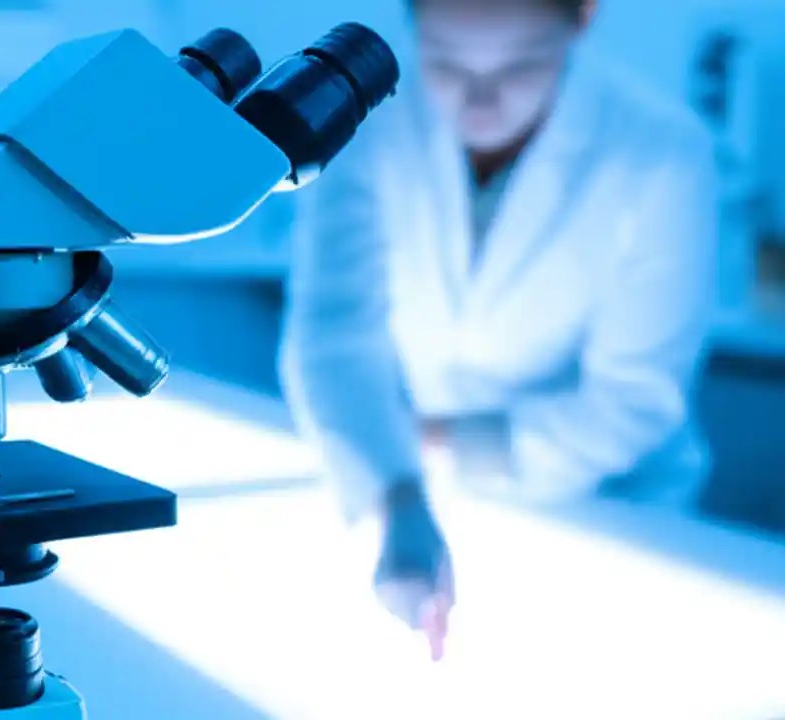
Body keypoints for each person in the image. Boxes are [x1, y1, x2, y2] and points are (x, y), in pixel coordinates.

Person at [280, 0, 718, 660]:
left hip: (613, 500)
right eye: (447, 64)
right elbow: (335, 334)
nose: (479, 103)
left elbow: (632, 401)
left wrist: (428, 444)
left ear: (583, 21)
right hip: (431, 491)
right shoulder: (374, 134)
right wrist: (397, 494)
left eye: (520, 67)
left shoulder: (661, 151)